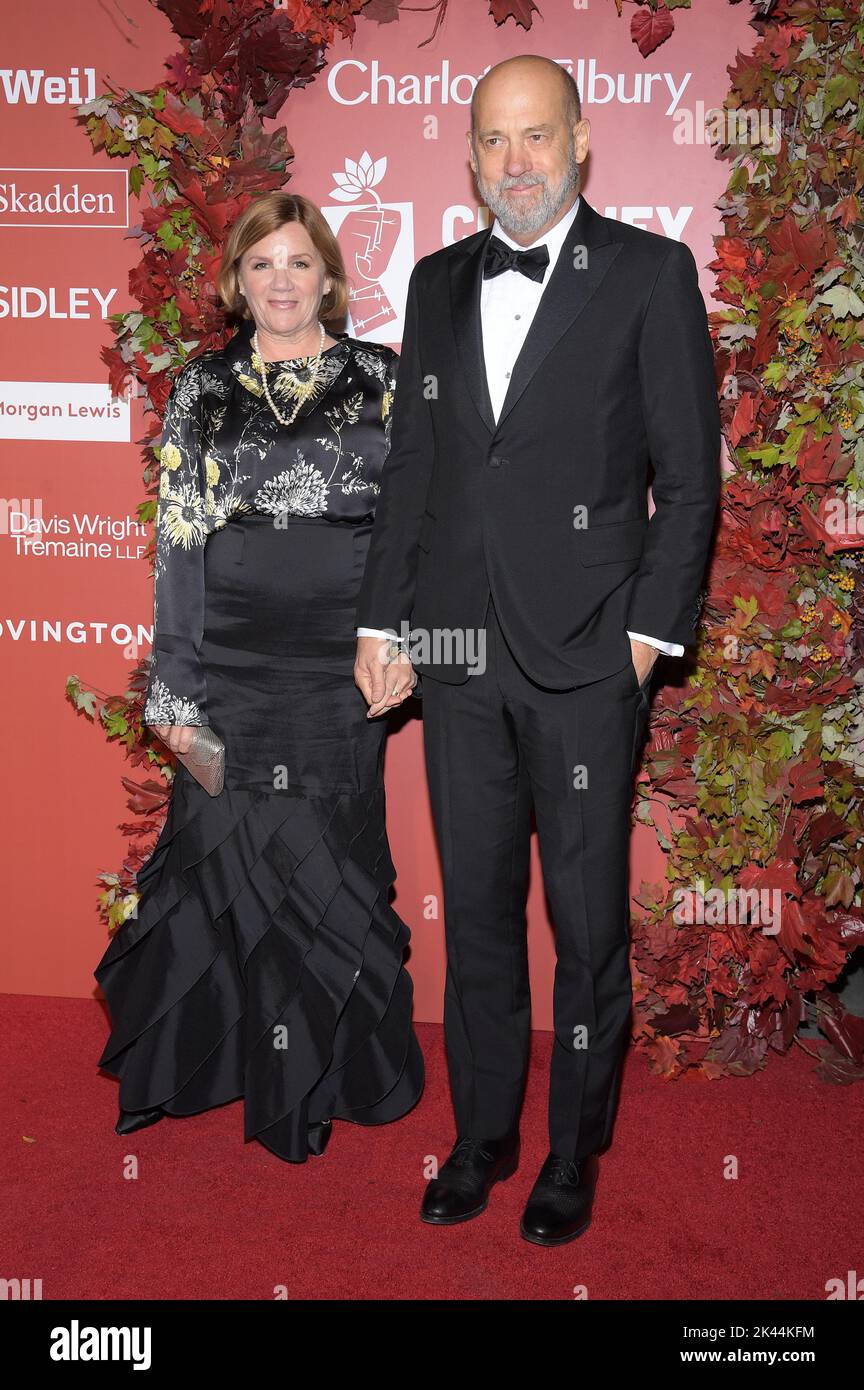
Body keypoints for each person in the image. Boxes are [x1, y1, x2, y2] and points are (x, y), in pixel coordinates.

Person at [354, 55, 720, 1242]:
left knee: (586, 923)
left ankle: (572, 1149)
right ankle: (482, 1136)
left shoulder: (650, 275)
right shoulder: (435, 281)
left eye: (535, 137)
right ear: (469, 160)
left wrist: (643, 644)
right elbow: (414, 467)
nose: (515, 161)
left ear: (578, 143)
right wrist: (381, 618)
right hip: (457, 652)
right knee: (476, 916)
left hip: (584, 661)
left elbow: (690, 481)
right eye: (493, 142)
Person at [95, 191, 424, 1163]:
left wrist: (401, 635)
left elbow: (417, 529)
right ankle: (218, 1065)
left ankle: (323, 1077)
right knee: (221, 869)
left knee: (321, 871)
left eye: (297, 261)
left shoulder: (385, 381)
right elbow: (180, 543)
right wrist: (175, 691)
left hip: (339, 668)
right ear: (238, 283)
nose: (280, 280)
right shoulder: (202, 388)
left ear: (329, 272)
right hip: (230, 665)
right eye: (260, 264)